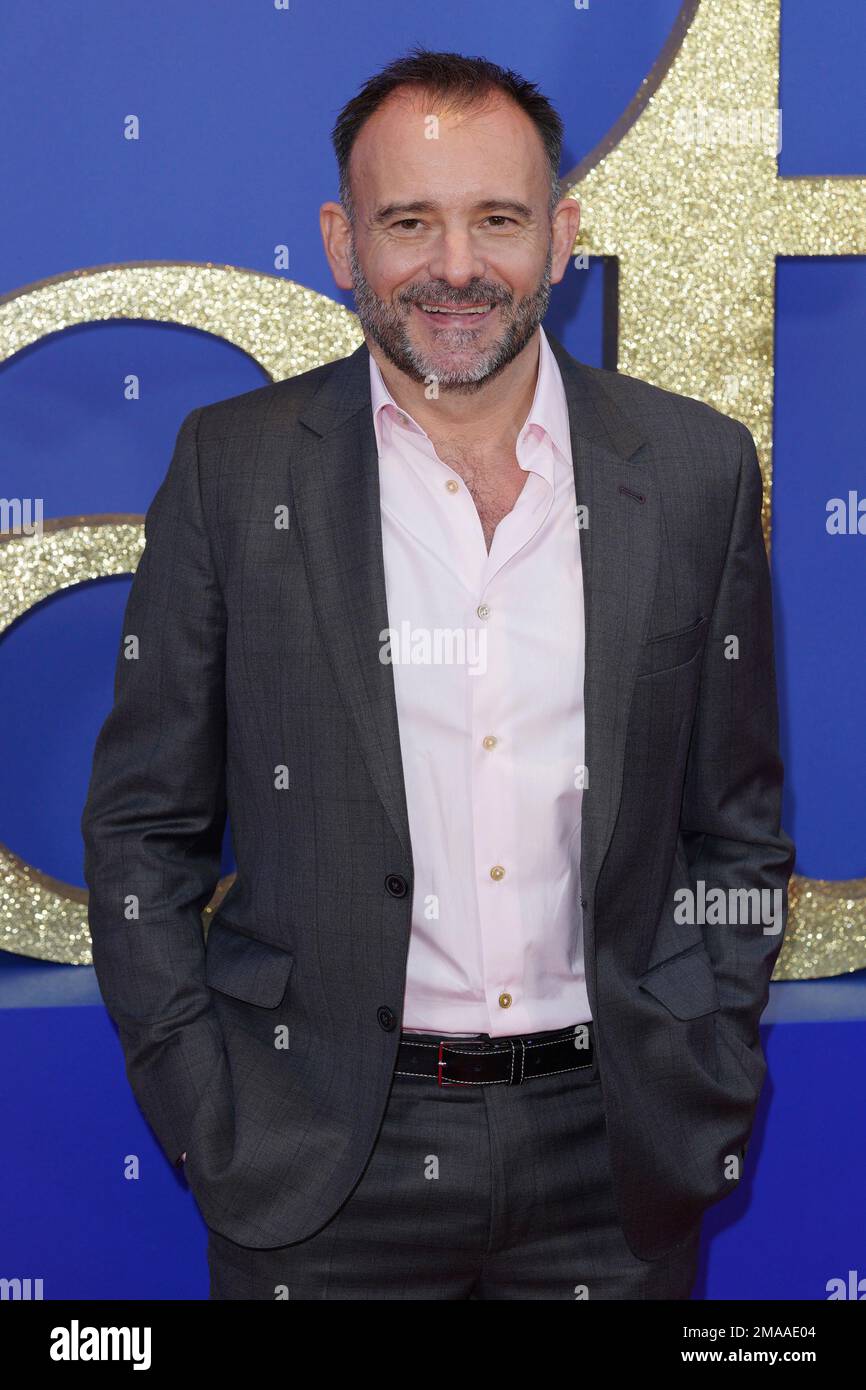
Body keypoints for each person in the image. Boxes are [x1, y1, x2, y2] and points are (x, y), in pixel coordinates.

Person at [81, 48, 795, 1300]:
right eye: (408, 221)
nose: (455, 267)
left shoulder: (693, 471)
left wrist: (707, 1046)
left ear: (560, 237)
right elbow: (143, 826)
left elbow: (734, 832)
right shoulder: (233, 471)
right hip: (317, 1156)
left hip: (615, 1152)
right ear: (341, 241)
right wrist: (206, 1101)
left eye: (497, 220)